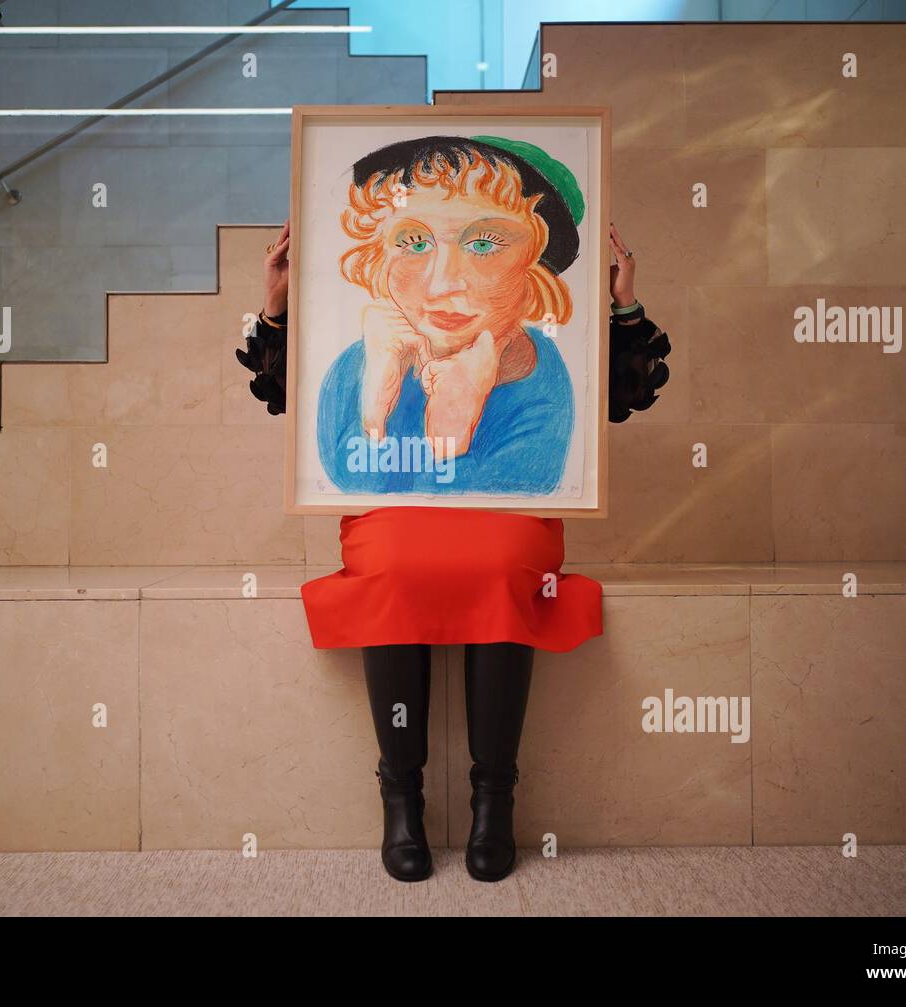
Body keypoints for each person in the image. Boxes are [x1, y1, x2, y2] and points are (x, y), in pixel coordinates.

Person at [236, 146, 670, 884]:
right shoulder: (359, 359)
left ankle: (493, 797)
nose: (442, 279)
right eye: (412, 241)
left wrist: (621, 304)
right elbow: (305, 422)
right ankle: (399, 796)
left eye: (484, 240)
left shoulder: (543, 376)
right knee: (398, 560)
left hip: (508, 523)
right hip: (393, 523)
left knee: (497, 562)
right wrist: (281, 309)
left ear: (534, 266)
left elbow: (615, 403)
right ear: (376, 256)